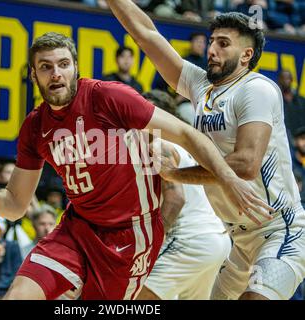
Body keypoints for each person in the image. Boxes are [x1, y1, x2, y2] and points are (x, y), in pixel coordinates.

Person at [0, 32, 271, 300]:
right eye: (45, 67)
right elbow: (15, 204)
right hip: (77, 227)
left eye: (63, 64)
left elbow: (186, 133)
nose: (56, 73)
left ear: (76, 68)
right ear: (33, 74)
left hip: (130, 235)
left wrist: (228, 178)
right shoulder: (34, 127)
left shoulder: (108, 97)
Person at [106, 0, 305, 300]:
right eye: (212, 42)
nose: (212, 50)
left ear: (246, 55)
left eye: (223, 44)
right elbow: (146, 34)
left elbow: (245, 164)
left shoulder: (256, 89)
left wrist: (175, 174)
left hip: (280, 231)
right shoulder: (202, 88)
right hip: (236, 239)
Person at [137, 90, 231, 300]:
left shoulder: (158, 146)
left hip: (189, 240)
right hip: (216, 239)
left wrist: (151, 244)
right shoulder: (181, 146)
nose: (139, 120)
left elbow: (176, 199)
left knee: (135, 296)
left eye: (146, 115)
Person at [277, 70, 305, 140]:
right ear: (279, 80)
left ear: (292, 80)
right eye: (283, 78)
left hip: (301, 139)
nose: (285, 81)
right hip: (283, 138)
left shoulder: (301, 100)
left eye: (288, 78)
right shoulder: (277, 100)